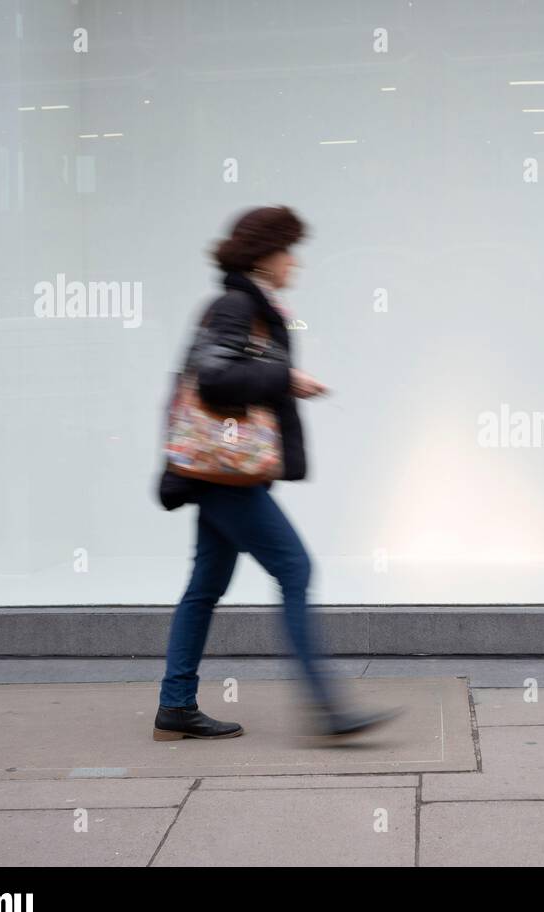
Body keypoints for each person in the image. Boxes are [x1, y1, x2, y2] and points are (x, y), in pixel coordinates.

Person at [154, 205, 397, 741]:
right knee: (295, 568)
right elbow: (216, 380)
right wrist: (285, 378)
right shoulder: (237, 305)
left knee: (204, 585)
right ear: (266, 256)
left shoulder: (247, 306)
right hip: (224, 473)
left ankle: (175, 704)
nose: (296, 264)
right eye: (290, 252)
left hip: (223, 471)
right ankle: (327, 709)